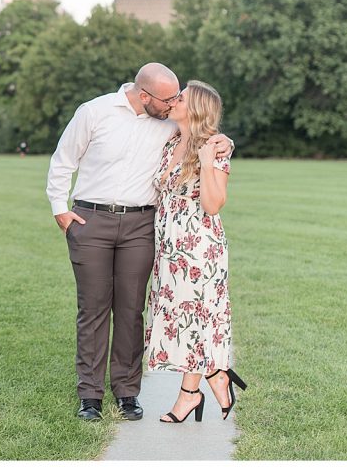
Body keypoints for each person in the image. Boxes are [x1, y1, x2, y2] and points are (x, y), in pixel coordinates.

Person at [46, 63, 231, 422]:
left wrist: (226, 142)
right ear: (144, 95)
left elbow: (205, 134)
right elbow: (63, 160)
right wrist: (60, 209)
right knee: (93, 310)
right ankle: (90, 396)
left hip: (142, 227)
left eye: (178, 98)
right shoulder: (94, 112)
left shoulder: (166, 124)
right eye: (168, 98)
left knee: (131, 311)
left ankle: (128, 393)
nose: (172, 103)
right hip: (91, 219)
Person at [144, 80, 247, 424]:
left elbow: (214, 204)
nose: (173, 101)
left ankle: (203, 385)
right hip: (170, 249)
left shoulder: (214, 147)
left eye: (181, 98)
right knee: (185, 319)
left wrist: (206, 160)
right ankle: (201, 385)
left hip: (199, 249)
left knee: (197, 318)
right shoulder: (170, 138)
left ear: (197, 108)